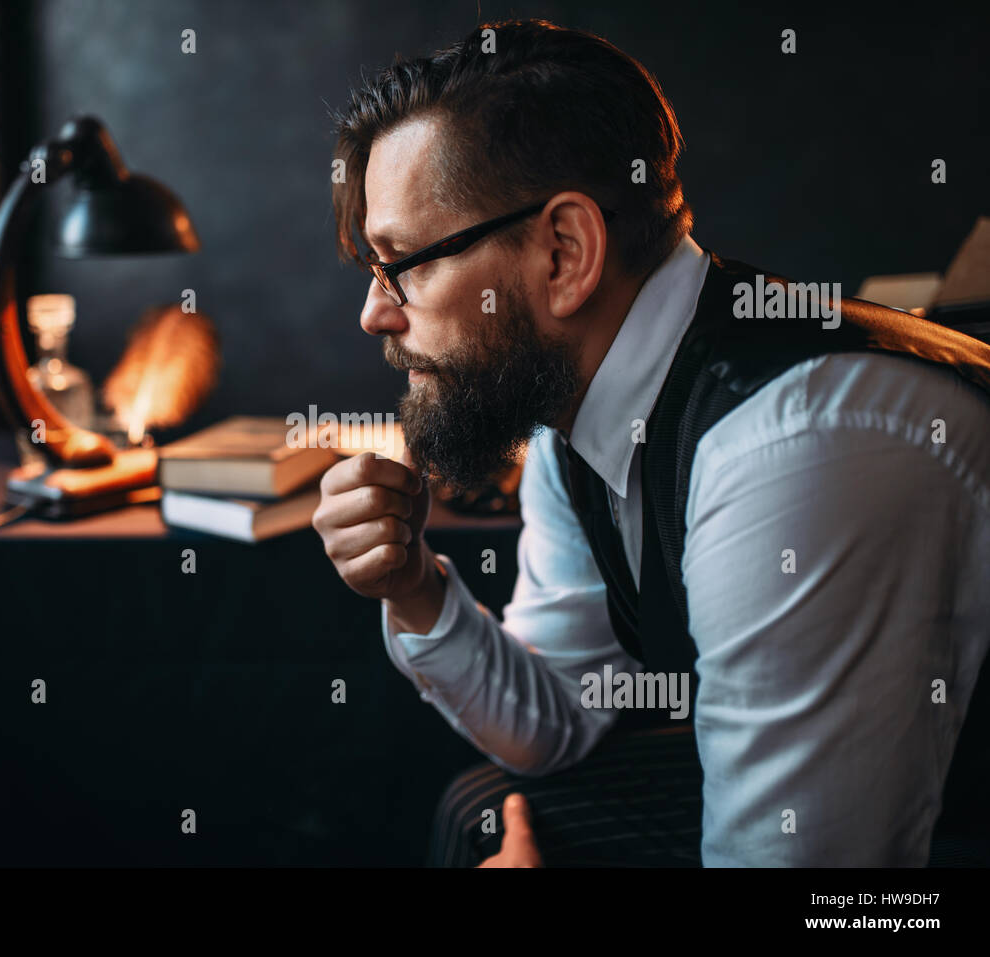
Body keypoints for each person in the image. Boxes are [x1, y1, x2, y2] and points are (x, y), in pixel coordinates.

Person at [311, 18, 990, 866]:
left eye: (403, 262)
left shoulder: (798, 448)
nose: (375, 313)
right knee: (491, 805)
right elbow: (558, 718)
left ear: (564, 252)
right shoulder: (577, 410)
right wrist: (414, 590)